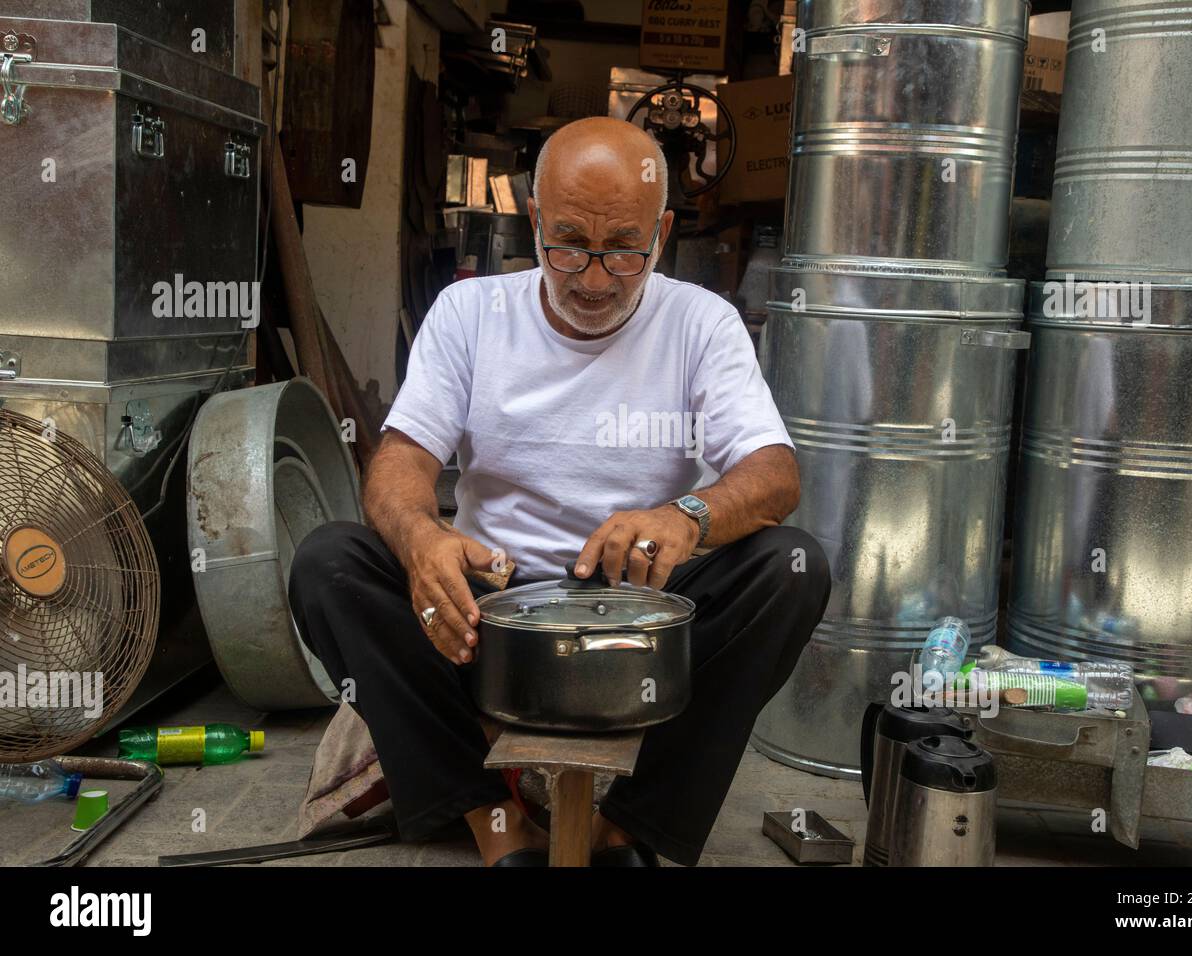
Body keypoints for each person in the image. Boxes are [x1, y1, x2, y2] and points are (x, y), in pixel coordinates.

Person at [289, 116, 830, 867]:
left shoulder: (701, 323)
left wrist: (688, 516)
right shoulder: (470, 314)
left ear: (663, 232)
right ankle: (497, 825)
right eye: (569, 242)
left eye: (624, 250)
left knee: (789, 568)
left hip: (638, 626)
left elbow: (776, 476)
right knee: (328, 564)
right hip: (489, 618)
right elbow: (399, 462)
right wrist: (424, 542)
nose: (596, 278)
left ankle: (630, 832)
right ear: (535, 219)